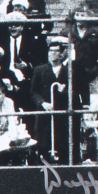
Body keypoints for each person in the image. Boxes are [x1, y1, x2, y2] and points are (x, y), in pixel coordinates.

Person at [29, 35, 77, 163]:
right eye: (50, 51)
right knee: (43, 144)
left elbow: (76, 93)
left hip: (61, 115)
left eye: (56, 51)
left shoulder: (69, 71)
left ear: (62, 54)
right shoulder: (39, 70)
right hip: (44, 115)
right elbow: (33, 92)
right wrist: (43, 103)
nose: (53, 54)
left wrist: (65, 91)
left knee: (62, 144)